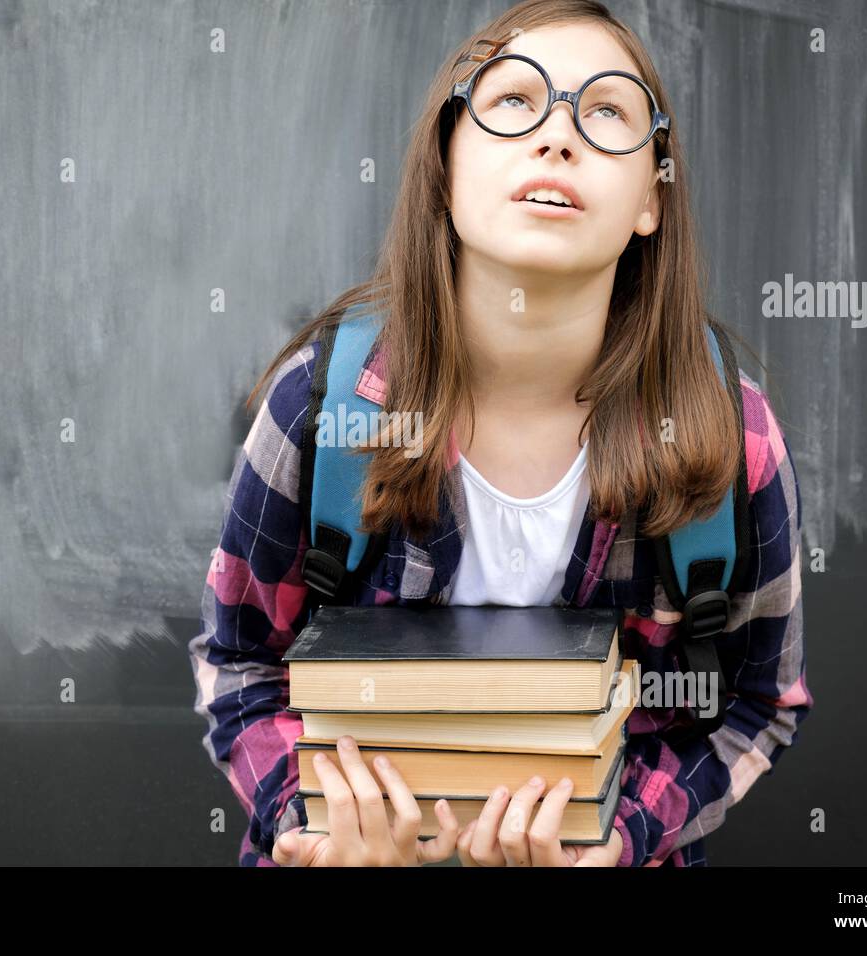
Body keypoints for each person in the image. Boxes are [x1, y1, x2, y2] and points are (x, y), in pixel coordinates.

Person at [188, 0, 812, 868]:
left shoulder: (730, 437)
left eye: (606, 111)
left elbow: (758, 701)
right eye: (514, 102)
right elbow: (241, 664)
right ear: (445, 170)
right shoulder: (320, 409)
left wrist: (623, 836)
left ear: (650, 201)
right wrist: (311, 822)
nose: (558, 136)